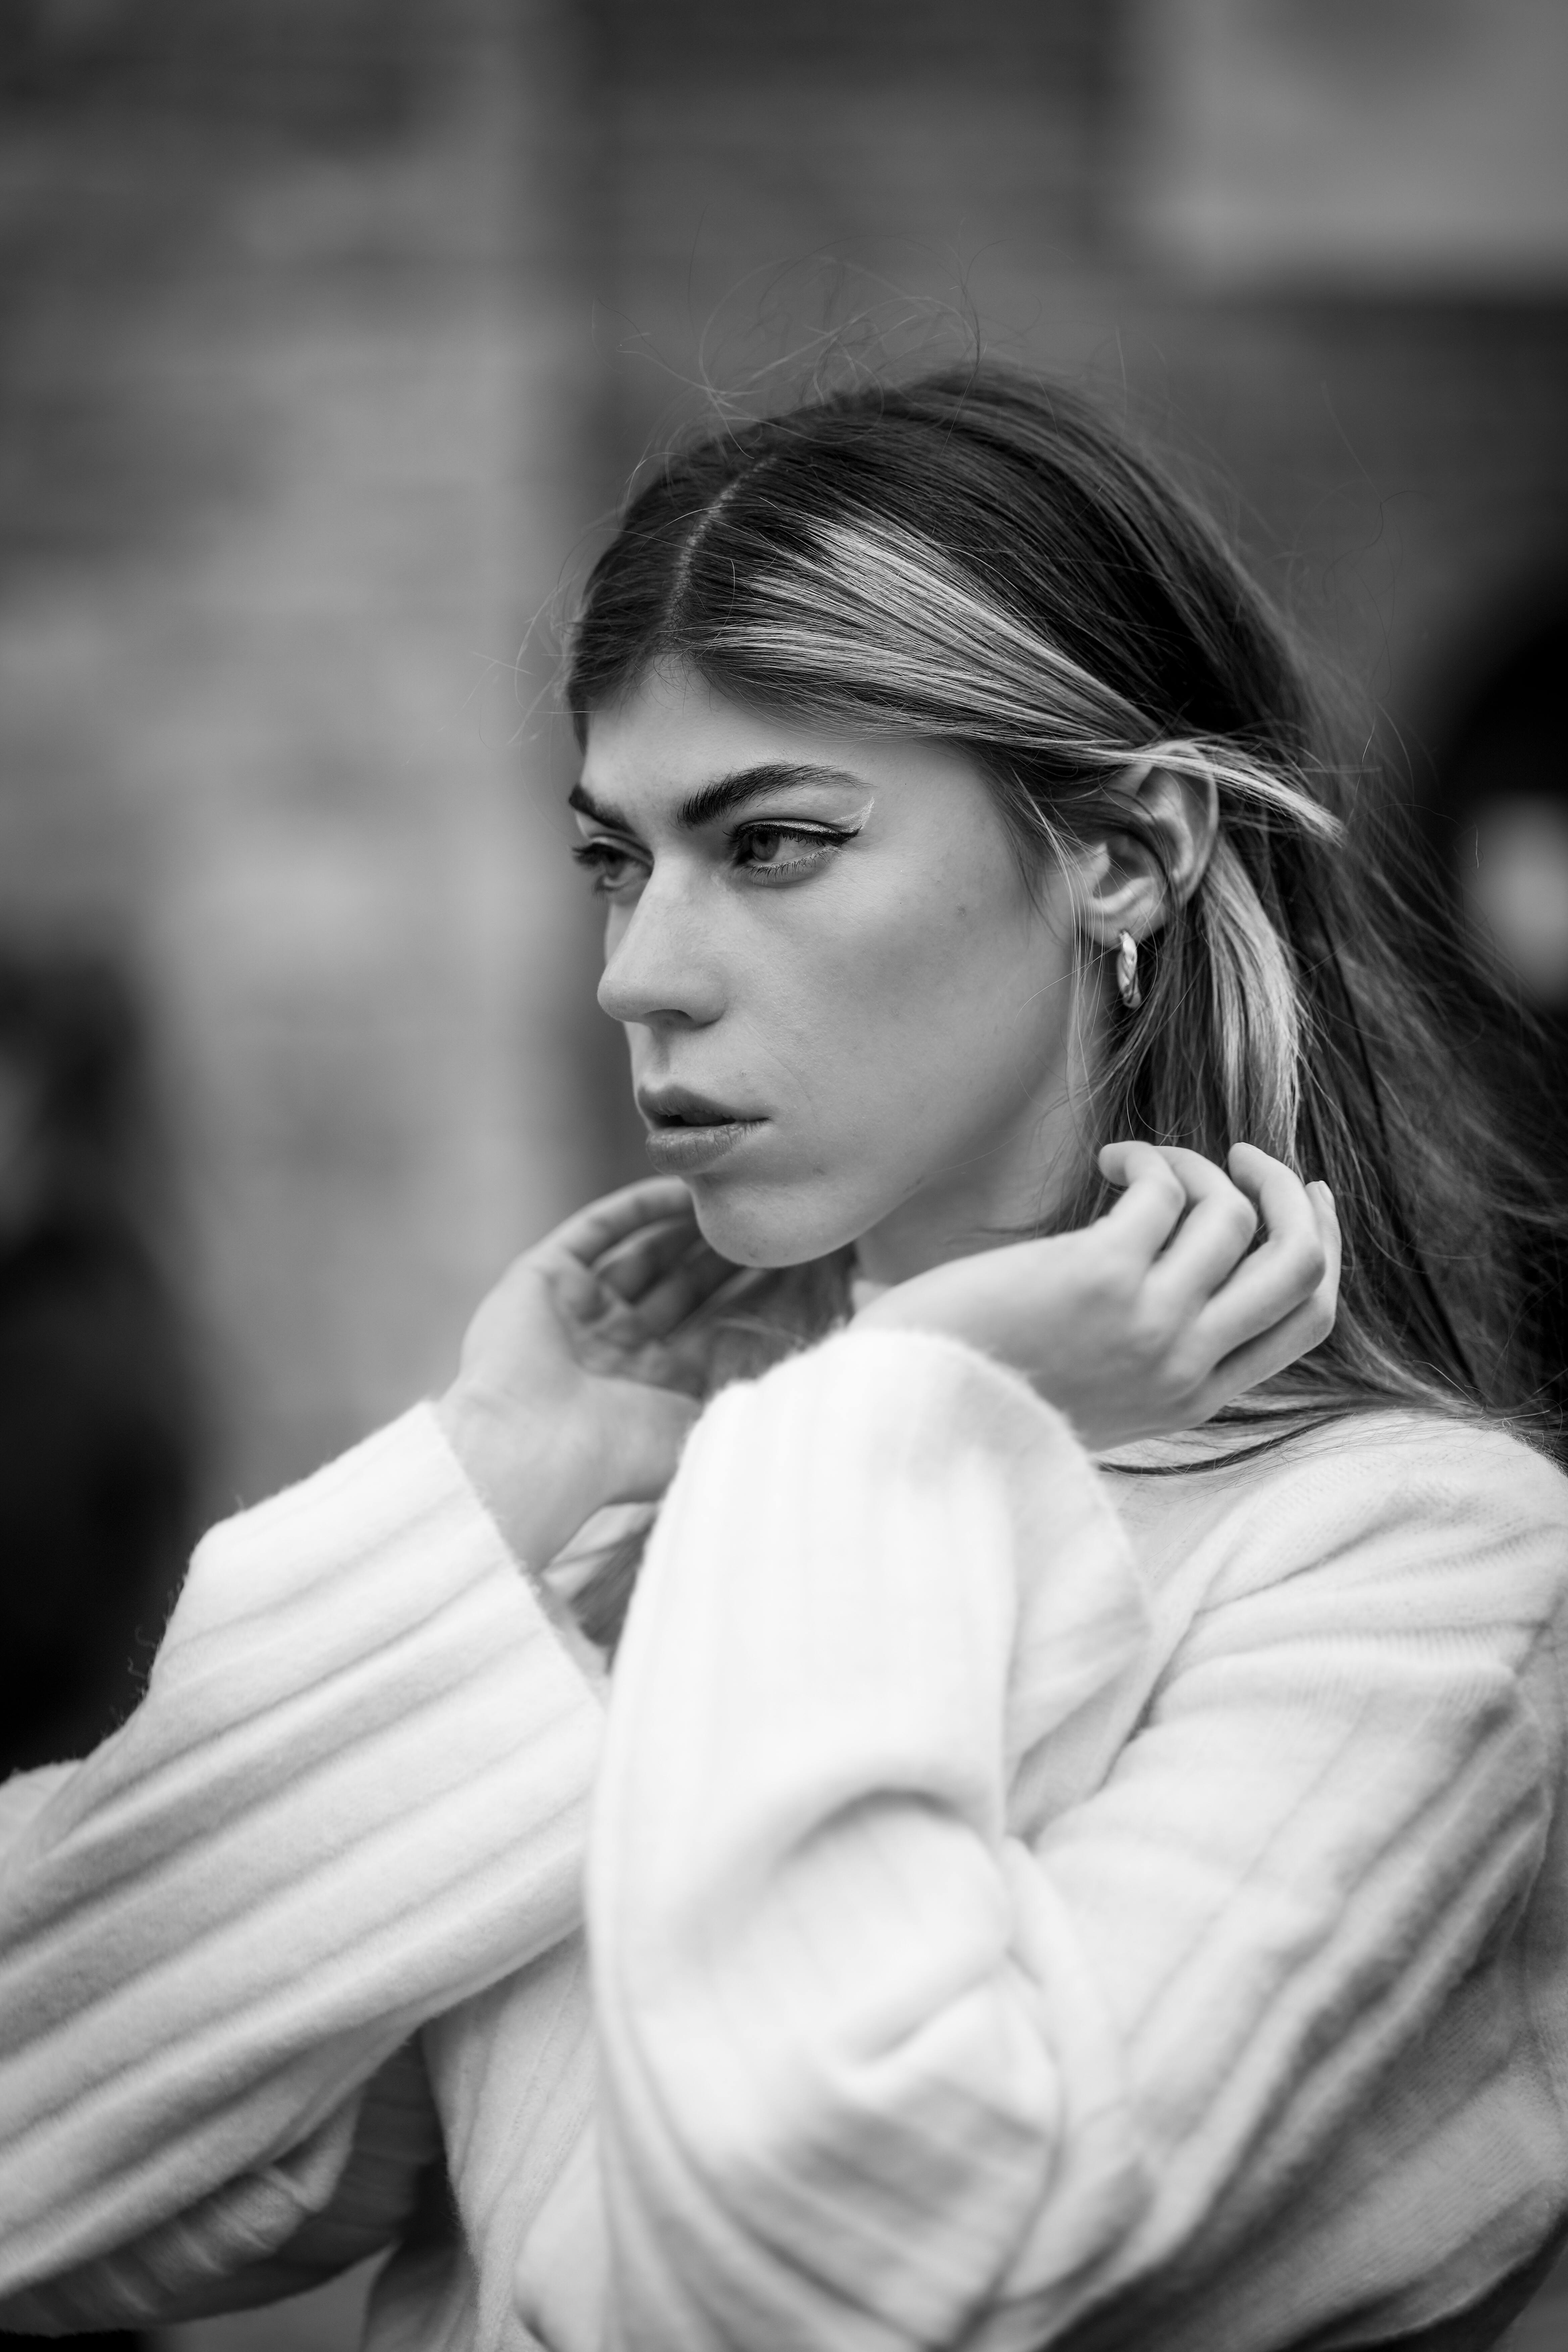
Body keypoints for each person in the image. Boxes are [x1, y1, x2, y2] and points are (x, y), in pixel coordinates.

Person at [1, 366, 1566, 2352]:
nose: (635, 972)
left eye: (774, 844)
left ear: (1128, 856)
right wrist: (489, 1492)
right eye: (615, 858)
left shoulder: (1421, 1569)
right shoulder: (680, 1537)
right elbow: (38, 2153)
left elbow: (866, 2265)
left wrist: (887, 1427)